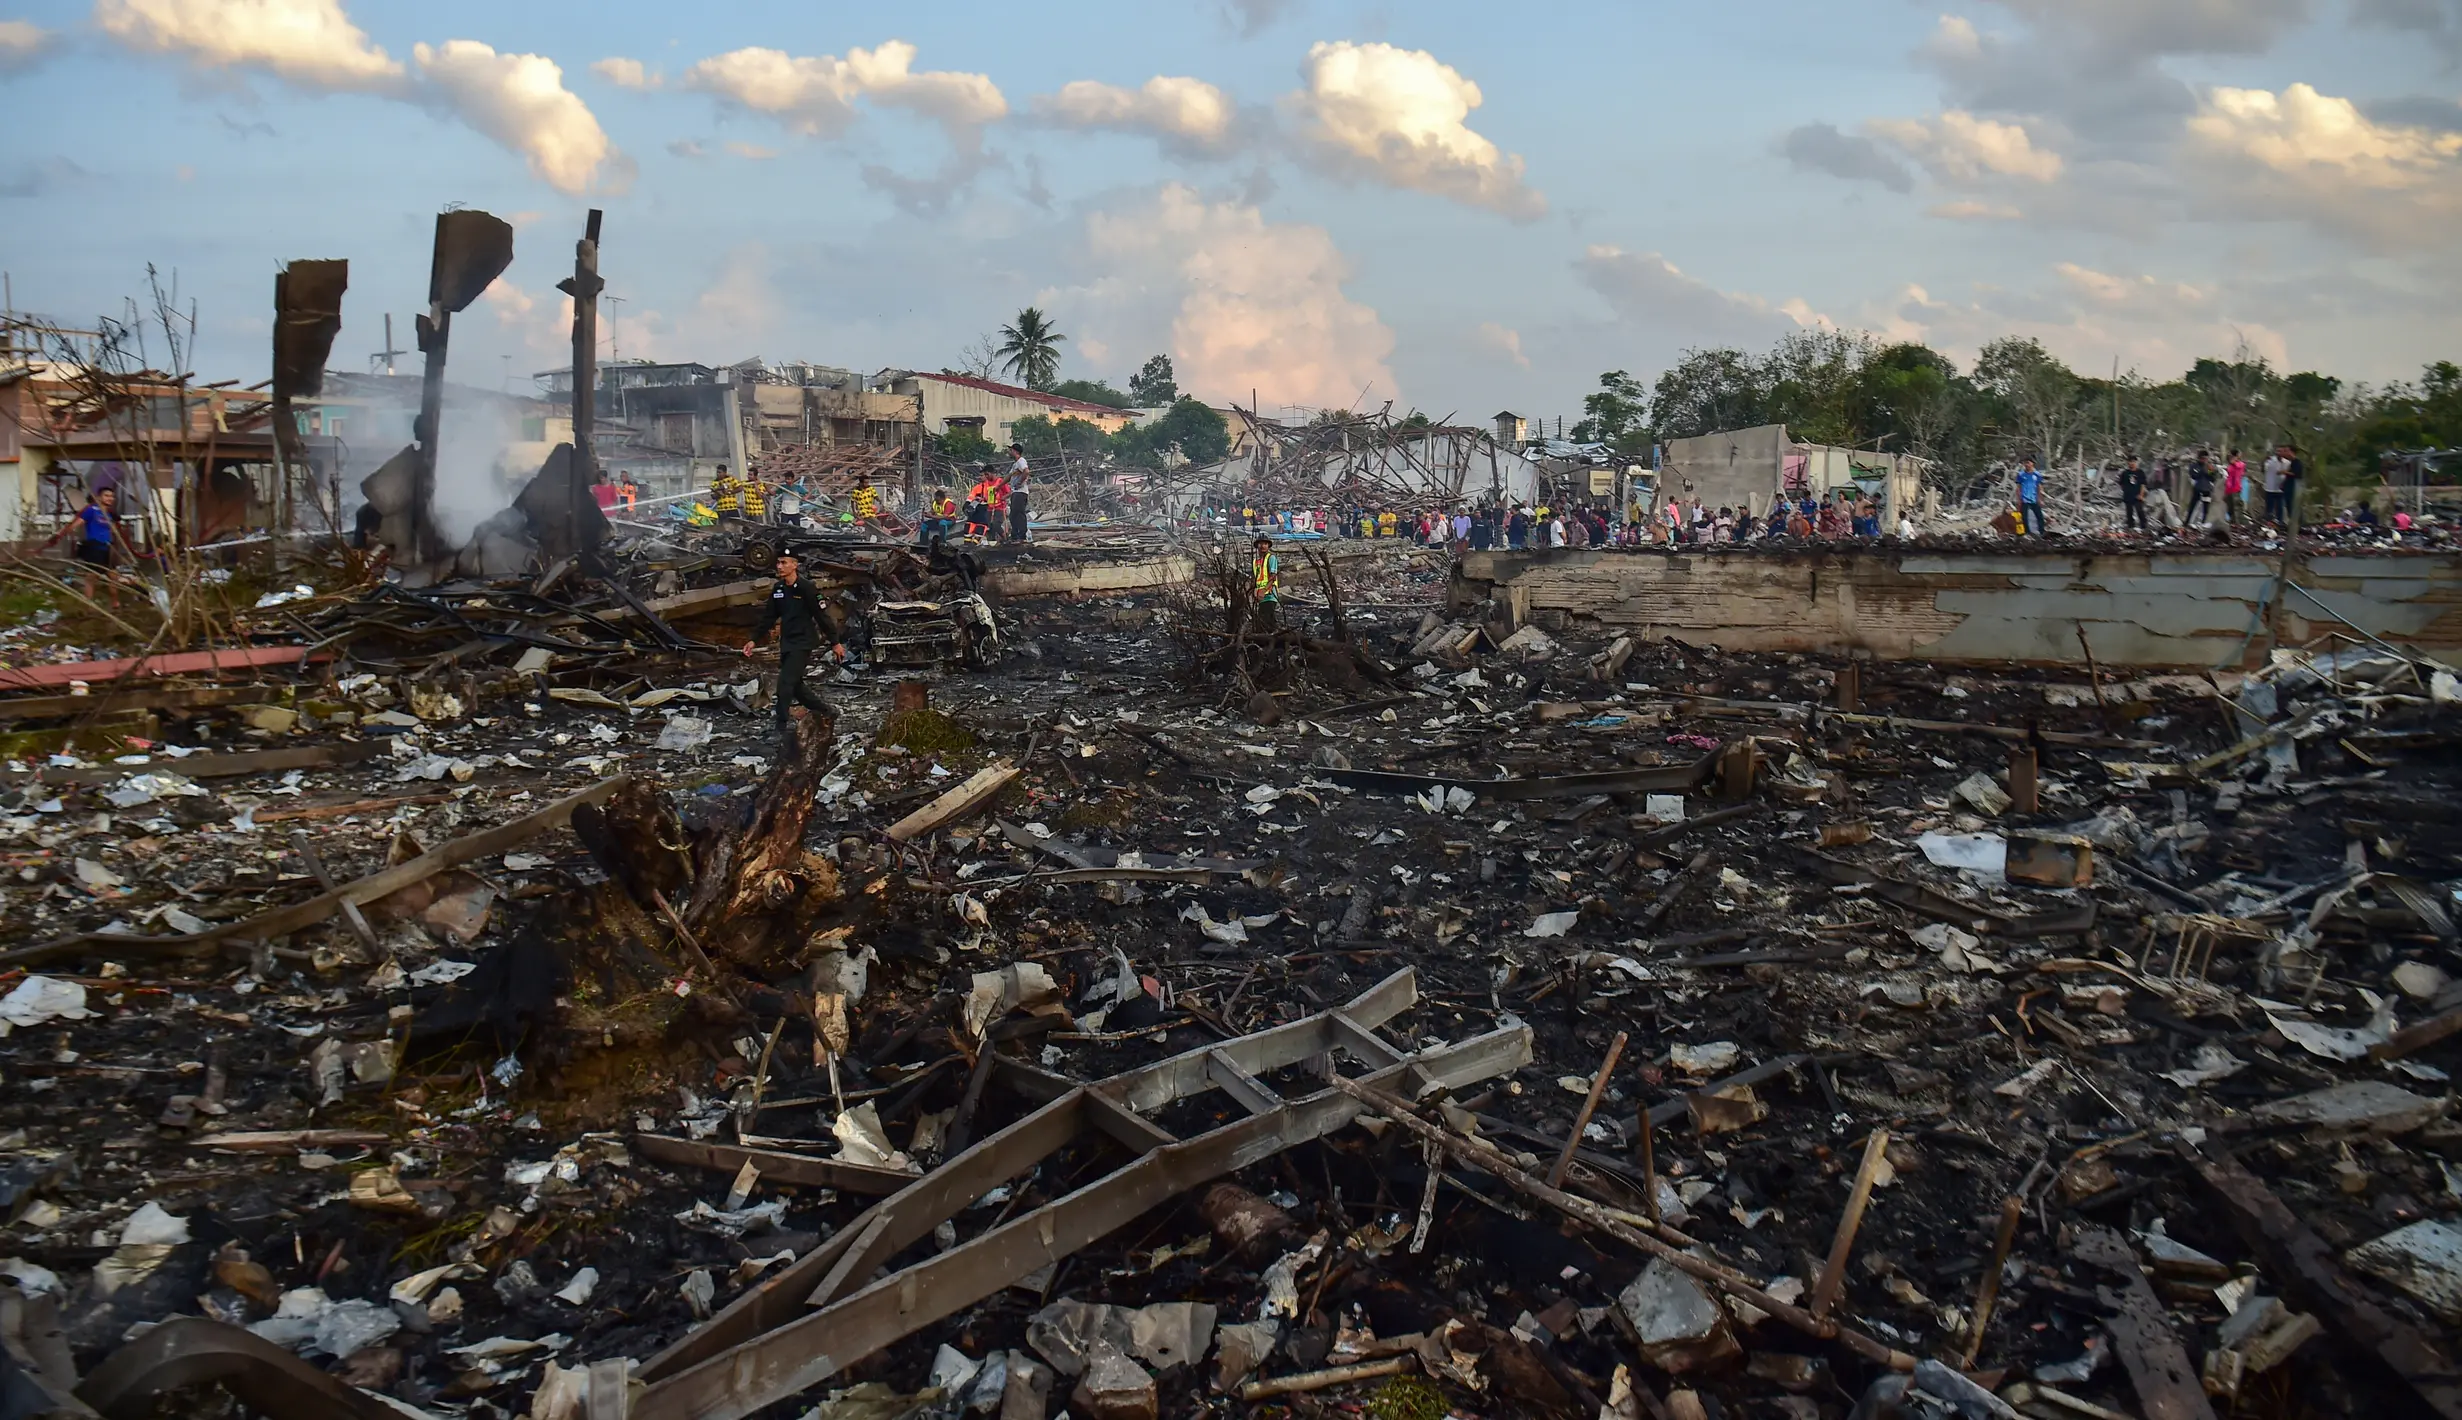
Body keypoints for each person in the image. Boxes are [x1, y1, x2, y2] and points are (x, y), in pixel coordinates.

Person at [741, 553, 845, 749]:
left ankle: (781, 727)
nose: (779, 566)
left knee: (785, 683)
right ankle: (826, 710)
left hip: (803, 642)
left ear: (794, 565)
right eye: (778, 563)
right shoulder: (779, 589)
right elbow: (769, 617)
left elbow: (821, 616)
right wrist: (753, 640)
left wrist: (835, 642)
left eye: (784, 563)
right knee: (795, 685)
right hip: (788, 642)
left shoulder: (807, 588)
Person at [42, 484, 123, 605]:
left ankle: (115, 604)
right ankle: (89, 605)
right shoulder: (91, 510)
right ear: (99, 497)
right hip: (94, 547)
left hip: (108, 547)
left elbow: (116, 530)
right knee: (92, 577)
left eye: (112, 496)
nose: (110, 498)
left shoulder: (111, 513)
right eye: (106, 496)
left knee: (113, 576)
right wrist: (60, 535)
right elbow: (75, 524)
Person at [1250, 536, 1280, 630]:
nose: (1263, 546)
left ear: (1268, 546)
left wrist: (1264, 590)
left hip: (1270, 595)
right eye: (1261, 544)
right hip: (1260, 596)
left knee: (1267, 620)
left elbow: (1273, 576)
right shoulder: (1255, 562)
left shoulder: (1271, 558)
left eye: (1265, 544)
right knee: (1263, 621)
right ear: (1257, 545)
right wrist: (1254, 591)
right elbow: (1255, 578)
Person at [1005, 443, 1032, 542]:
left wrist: (1020, 482)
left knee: (1019, 514)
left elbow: (1026, 471)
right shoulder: (1015, 465)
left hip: (1021, 492)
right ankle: (1015, 535)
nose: (1009, 452)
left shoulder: (1021, 461)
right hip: (1016, 492)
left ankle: (1021, 536)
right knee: (1013, 515)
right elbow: (1008, 477)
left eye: (1011, 450)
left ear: (1015, 451)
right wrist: (999, 486)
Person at [2014, 457, 2046, 537]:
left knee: (2039, 516)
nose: (2026, 465)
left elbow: (2040, 487)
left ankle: (2042, 532)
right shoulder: (2021, 475)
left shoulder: (2037, 475)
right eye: (2025, 463)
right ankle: (2026, 533)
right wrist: (2018, 499)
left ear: (2032, 463)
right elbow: (2018, 488)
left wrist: (2041, 499)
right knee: (2024, 517)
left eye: (2028, 462)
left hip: (2034, 499)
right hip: (2024, 499)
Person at [2185, 452, 2216, 531]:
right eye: (2203, 458)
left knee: (2206, 508)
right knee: (2192, 506)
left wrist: (2210, 471)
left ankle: (2203, 524)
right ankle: (2186, 522)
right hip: (2197, 489)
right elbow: (2193, 476)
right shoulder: (2194, 466)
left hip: (2207, 490)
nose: (2204, 460)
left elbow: (2212, 478)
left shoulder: (2209, 466)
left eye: (2206, 459)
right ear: (2199, 458)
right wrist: (2202, 471)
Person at [2278, 444, 2305, 531]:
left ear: (2291, 452)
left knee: (2294, 506)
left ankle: (2300, 524)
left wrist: (2284, 472)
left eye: (2286, 451)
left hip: (2294, 488)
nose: (2285, 453)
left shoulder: (2297, 462)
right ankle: (2292, 523)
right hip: (2288, 487)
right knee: (2289, 505)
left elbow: (2295, 474)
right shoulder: (2291, 462)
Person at [2119, 456, 2148, 533]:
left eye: (2133, 462)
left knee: (2140, 511)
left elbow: (2143, 484)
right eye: (2130, 461)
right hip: (2128, 496)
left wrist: (2141, 495)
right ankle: (2131, 527)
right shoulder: (2125, 473)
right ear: (2128, 463)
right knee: (2129, 512)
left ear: (2136, 462)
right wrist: (2126, 491)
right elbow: (2121, 484)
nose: (2132, 463)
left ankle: (2144, 527)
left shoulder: (2140, 472)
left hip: (2137, 495)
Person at [2261, 447, 2288, 525]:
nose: (2279, 453)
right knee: (2269, 507)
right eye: (2277, 451)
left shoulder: (2287, 462)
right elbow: (2263, 469)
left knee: (2280, 507)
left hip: (2280, 488)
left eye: (2281, 451)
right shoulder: (2270, 460)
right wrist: (2264, 461)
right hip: (2270, 488)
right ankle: (2268, 522)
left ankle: (2280, 522)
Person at [2222, 449, 2246, 524]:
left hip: (2235, 488)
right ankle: (2231, 522)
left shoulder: (2241, 464)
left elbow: (2238, 466)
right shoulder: (2230, 465)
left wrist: (2234, 461)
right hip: (2229, 488)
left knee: (2236, 507)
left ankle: (2237, 523)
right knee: (2229, 507)